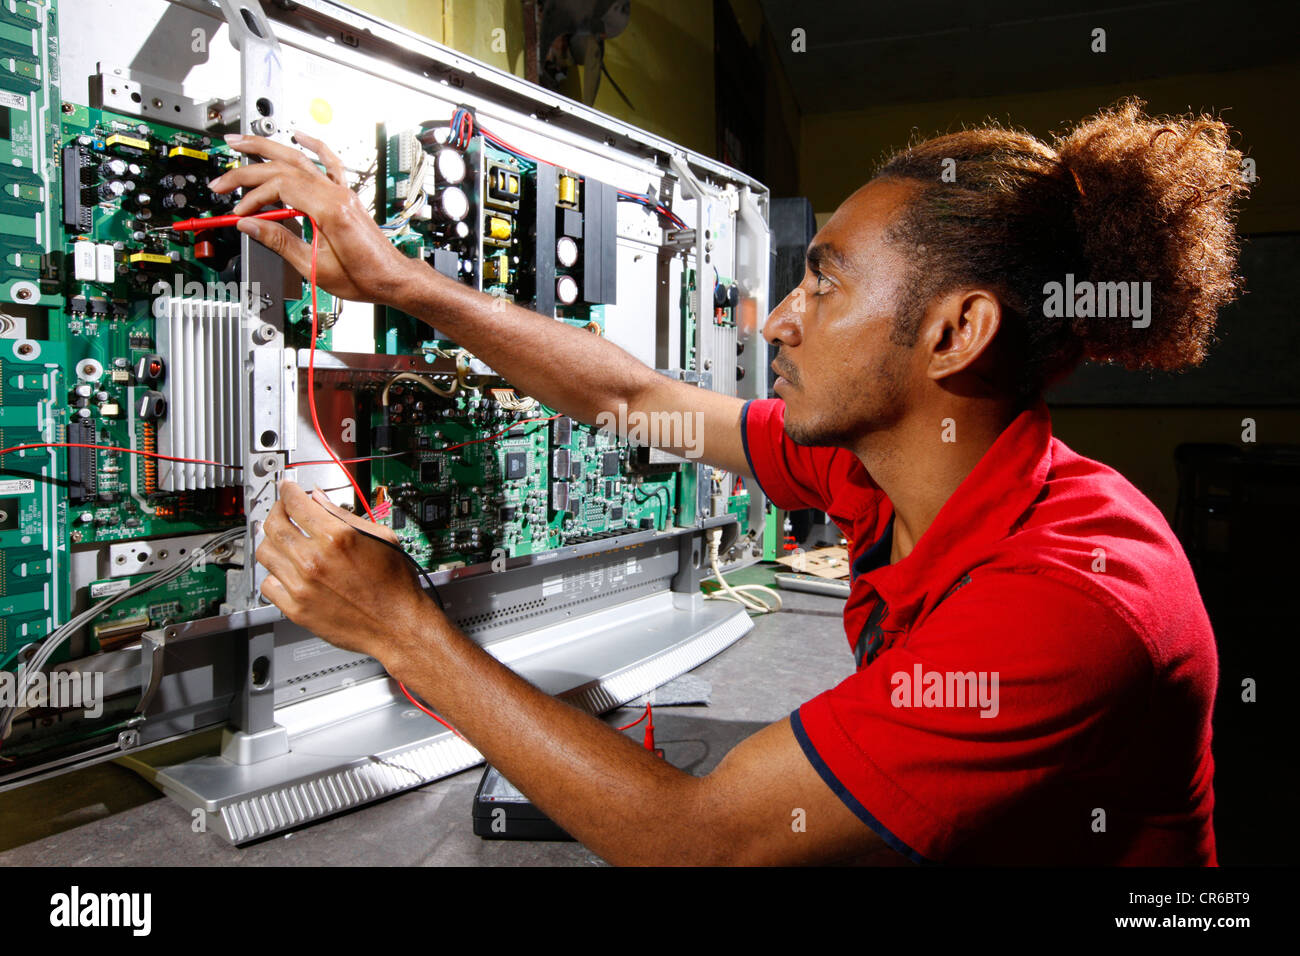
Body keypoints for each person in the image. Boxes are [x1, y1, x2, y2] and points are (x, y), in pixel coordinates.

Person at [209, 97, 1247, 865]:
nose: (775, 319)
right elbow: (629, 398)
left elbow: (703, 844)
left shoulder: (1069, 603)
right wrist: (398, 282)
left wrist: (403, 629)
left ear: (954, 332)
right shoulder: (878, 462)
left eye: (823, 278)